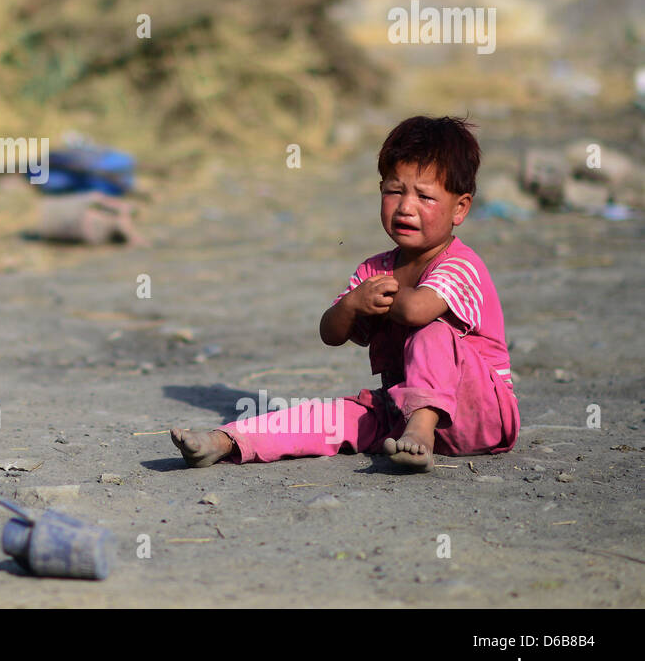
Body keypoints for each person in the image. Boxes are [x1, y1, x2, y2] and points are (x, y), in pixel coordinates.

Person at [171, 115, 519, 473]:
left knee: (432, 331)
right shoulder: (374, 270)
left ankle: (422, 427)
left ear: (460, 208)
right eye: (394, 191)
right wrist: (353, 304)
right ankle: (227, 440)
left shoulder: (462, 265)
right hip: (400, 412)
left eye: (425, 196)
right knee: (332, 415)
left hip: (483, 415)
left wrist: (377, 296)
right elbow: (330, 333)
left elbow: (417, 310)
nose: (405, 206)